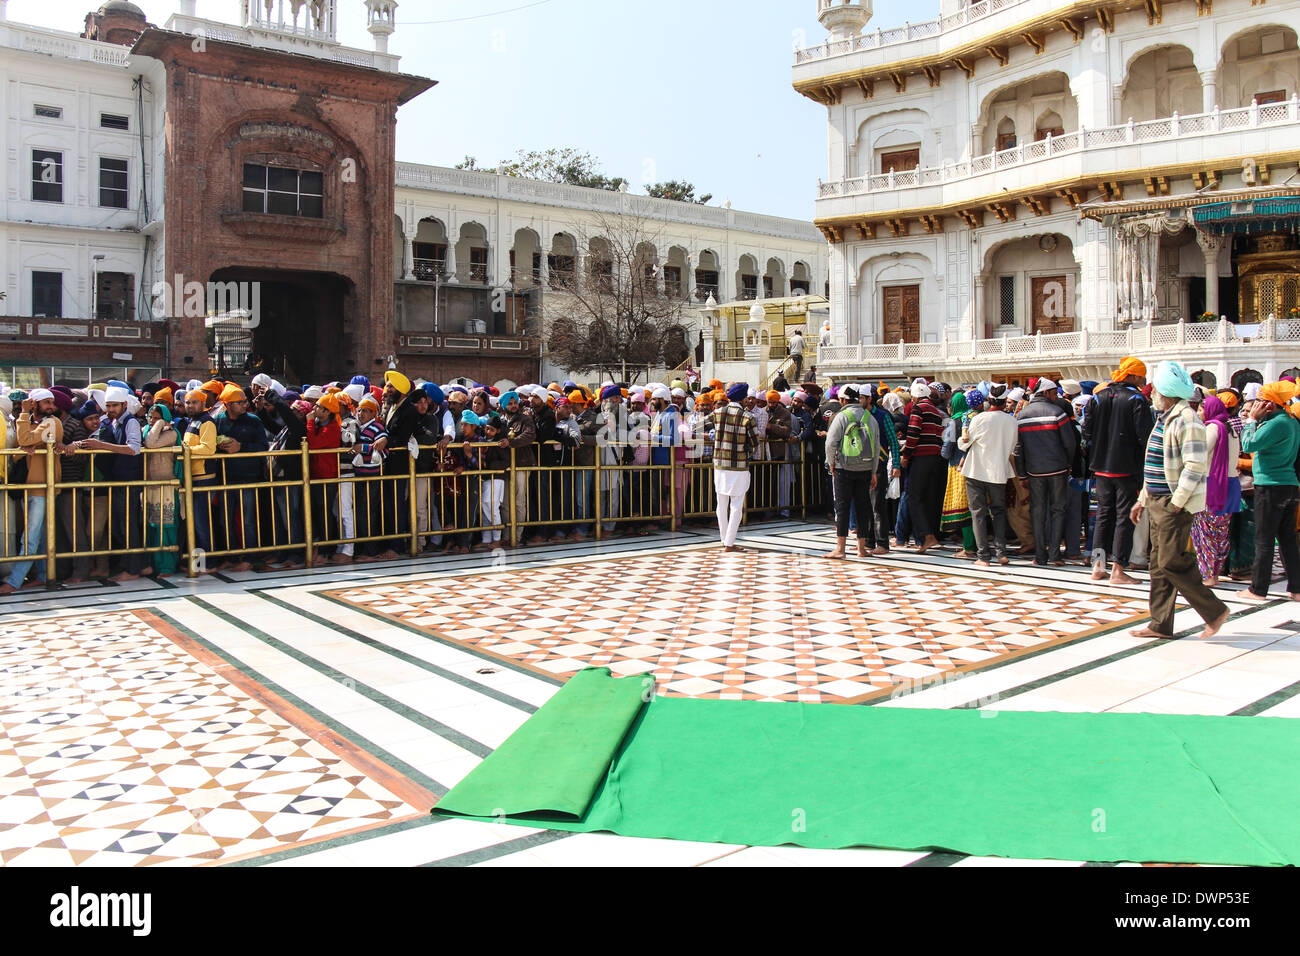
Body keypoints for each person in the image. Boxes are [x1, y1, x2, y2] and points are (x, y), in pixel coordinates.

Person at [1129, 360, 1229, 640]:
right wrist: (1142, 499)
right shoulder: (1165, 417)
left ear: (1166, 393)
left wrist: (1178, 502)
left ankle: (1214, 611)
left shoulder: (1188, 420)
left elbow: (1195, 466)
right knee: (1158, 563)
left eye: (1155, 390)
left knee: (1171, 560)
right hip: (1159, 500)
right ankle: (1160, 623)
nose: (1151, 394)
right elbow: (1157, 463)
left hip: (1175, 503)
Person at [1084, 357, 1154, 585]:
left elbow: (1087, 430)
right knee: (1124, 517)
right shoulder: (1136, 399)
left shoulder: (1098, 396)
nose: (1144, 381)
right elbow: (1145, 437)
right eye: (1142, 377)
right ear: (1133, 377)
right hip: (1126, 469)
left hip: (1101, 467)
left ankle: (1098, 566)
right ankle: (1118, 569)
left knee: (1104, 515)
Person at [1236, 380, 1300, 602]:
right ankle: (1296, 587)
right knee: (1287, 539)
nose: (1256, 405)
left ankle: (1258, 589)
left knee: (1263, 539)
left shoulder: (1278, 423)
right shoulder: (1289, 420)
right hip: (1287, 485)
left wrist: (1251, 421)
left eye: (1261, 401)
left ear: (1272, 404)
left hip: (1271, 487)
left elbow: (1249, 444)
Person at [0, 390, 64, 593]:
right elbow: (22, 445)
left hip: (42, 488)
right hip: (29, 486)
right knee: (43, 535)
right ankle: (44, 575)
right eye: (46, 402)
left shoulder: (52, 422)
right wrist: (23, 446)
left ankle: (14, 580)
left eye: (51, 402)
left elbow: (26, 440)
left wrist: (24, 415)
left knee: (30, 537)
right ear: (35, 403)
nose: (50, 405)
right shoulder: (32, 423)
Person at [1015, 378, 1078, 567]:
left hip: (1034, 472)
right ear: (1047, 393)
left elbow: (1018, 448)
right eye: (1054, 393)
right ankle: (1055, 555)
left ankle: (1040, 556)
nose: (1056, 396)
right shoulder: (1058, 413)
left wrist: (1022, 474)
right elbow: (1070, 443)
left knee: (1037, 512)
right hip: (1057, 469)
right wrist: (1068, 464)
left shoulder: (1022, 416)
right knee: (1058, 510)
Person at [959, 386, 1019, 567]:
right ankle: (1001, 553)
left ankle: (983, 556)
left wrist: (961, 439)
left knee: (978, 513)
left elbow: (964, 444)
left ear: (990, 400)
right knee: (998, 512)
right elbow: (1012, 448)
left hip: (977, 470)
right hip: (998, 471)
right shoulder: (1011, 421)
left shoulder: (979, 418)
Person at [1190, 394, 1241, 587]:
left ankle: (1209, 575)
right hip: (1230, 484)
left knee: (1204, 531)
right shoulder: (1231, 430)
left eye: (1201, 409)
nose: (1198, 412)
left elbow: (1199, 454)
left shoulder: (1212, 428)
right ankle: (1215, 571)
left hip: (1212, 486)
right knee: (1220, 531)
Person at [824, 384, 880, 559]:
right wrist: (873, 471)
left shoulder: (842, 416)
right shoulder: (870, 417)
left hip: (844, 467)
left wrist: (831, 463)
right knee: (863, 507)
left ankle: (840, 549)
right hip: (865, 468)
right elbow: (876, 446)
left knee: (842, 507)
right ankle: (861, 549)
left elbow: (831, 443)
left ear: (843, 400)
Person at [900, 380, 946, 553]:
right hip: (935, 456)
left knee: (913, 496)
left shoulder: (918, 409)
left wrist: (906, 455)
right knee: (927, 498)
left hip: (921, 457)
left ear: (915, 396)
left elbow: (913, 435)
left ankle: (927, 536)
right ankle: (927, 536)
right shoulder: (935, 411)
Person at [712, 382, 758, 552]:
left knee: (721, 504)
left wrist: (715, 436)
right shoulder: (748, 417)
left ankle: (724, 539)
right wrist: (745, 452)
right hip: (739, 465)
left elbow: (696, 425)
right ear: (744, 398)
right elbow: (754, 443)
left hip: (720, 464)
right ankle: (729, 543)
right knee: (736, 505)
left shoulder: (718, 412)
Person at [142, 403, 181, 575]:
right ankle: (154, 564)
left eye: (156, 418)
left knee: (166, 528)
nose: (152, 420)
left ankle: (167, 566)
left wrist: (160, 424)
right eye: (150, 417)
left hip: (167, 487)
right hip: (151, 486)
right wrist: (155, 425)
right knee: (152, 528)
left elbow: (151, 443)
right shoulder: (147, 431)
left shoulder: (171, 433)